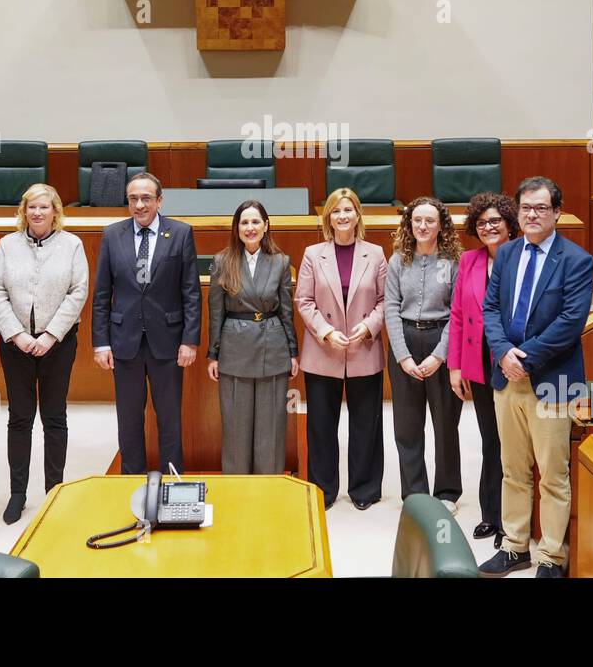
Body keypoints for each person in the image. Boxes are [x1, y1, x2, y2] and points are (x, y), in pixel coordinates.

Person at [479, 176, 593, 579]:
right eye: (525, 208)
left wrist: (523, 357)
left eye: (541, 208)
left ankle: (551, 557)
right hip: (506, 376)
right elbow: (490, 309)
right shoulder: (507, 253)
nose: (532, 214)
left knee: (553, 474)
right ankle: (514, 547)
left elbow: (570, 322)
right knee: (512, 469)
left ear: (557, 213)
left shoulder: (577, 260)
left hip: (553, 380)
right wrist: (503, 352)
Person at [0, 183, 88, 524]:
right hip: (16, 346)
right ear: (23, 211)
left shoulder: (72, 245)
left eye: (44, 207)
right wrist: (15, 334)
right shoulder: (8, 244)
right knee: (19, 418)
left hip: (58, 344)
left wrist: (50, 335)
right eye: (31, 207)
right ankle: (18, 493)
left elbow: (78, 292)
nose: (37, 213)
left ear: (55, 211)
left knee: (54, 417)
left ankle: (53, 491)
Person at [92, 172, 203, 475]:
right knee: (129, 419)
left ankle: (171, 479)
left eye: (146, 198)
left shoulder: (180, 233)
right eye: (133, 199)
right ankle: (131, 480)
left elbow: (190, 291)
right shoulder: (112, 234)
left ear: (159, 200)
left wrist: (190, 340)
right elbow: (102, 293)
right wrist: (101, 342)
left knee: (169, 418)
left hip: (167, 341)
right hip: (124, 341)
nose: (139, 205)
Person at [296, 188, 388, 510]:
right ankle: (323, 488)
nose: (343, 216)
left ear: (358, 215)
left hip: (364, 348)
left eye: (348, 210)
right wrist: (325, 332)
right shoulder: (312, 253)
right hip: (324, 350)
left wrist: (369, 327)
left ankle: (364, 489)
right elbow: (303, 301)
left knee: (366, 423)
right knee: (322, 424)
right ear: (328, 218)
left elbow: (384, 300)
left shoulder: (375, 253)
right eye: (336, 211)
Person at [206, 201, 299, 474]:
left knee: (271, 424)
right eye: (244, 223)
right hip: (234, 347)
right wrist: (213, 354)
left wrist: (293, 352)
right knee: (236, 425)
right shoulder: (222, 261)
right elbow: (215, 312)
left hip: (273, 345)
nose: (250, 228)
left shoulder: (281, 262)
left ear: (266, 226)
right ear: (236, 228)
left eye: (255, 222)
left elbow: (286, 310)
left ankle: (269, 487)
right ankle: (237, 485)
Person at [385, 196, 462, 508]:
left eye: (430, 220)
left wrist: (439, 355)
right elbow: (390, 307)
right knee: (407, 424)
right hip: (405, 338)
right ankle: (415, 493)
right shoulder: (397, 260)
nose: (423, 226)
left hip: (441, 340)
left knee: (445, 423)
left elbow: (458, 312)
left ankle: (446, 492)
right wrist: (402, 356)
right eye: (417, 220)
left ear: (441, 224)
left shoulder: (454, 261)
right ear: (409, 223)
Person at [447, 191, 516, 543]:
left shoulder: (522, 256)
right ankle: (491, 513)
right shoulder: (470, 261)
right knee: (490, 439)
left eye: (495, 222)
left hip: (514, 364)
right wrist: (455, 367)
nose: (488, 227)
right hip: (480, 361)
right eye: (482, 222)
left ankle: (511, 520)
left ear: (509, 225)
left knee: (511, 443)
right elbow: (458, 315)